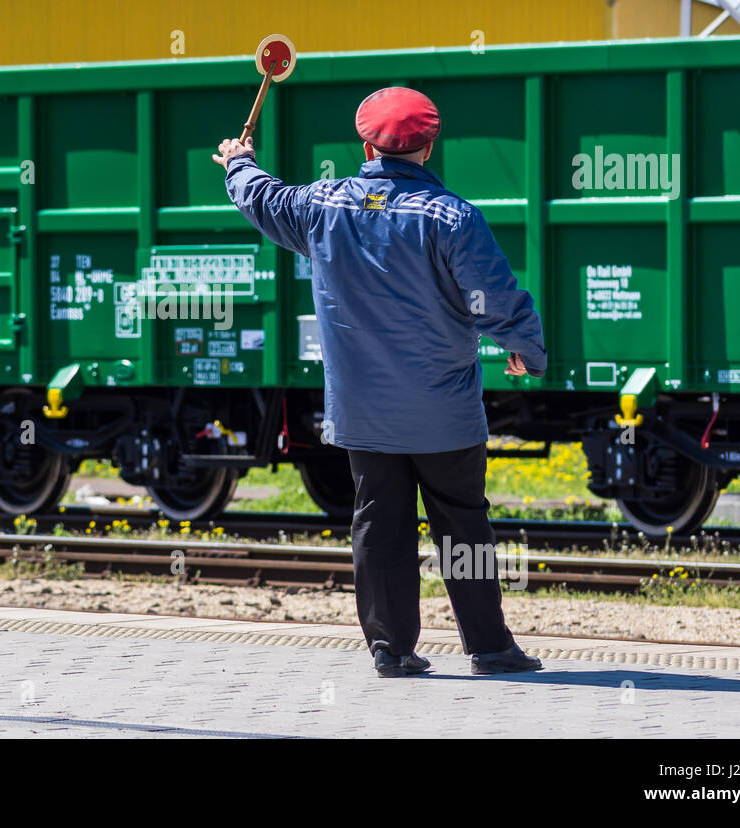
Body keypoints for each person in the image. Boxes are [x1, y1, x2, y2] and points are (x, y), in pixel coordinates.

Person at [212, 86, 547, 677]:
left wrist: (239, 162)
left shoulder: (324, 207)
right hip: (443, 412)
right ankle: (491, 649)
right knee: (463, 524)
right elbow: (491, 296)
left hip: (363, 413)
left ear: (365, 144)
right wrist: (523, 345)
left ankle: (390, 650)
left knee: (378, 520)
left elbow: (263, 200)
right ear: (428, 145)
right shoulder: (452, 217)